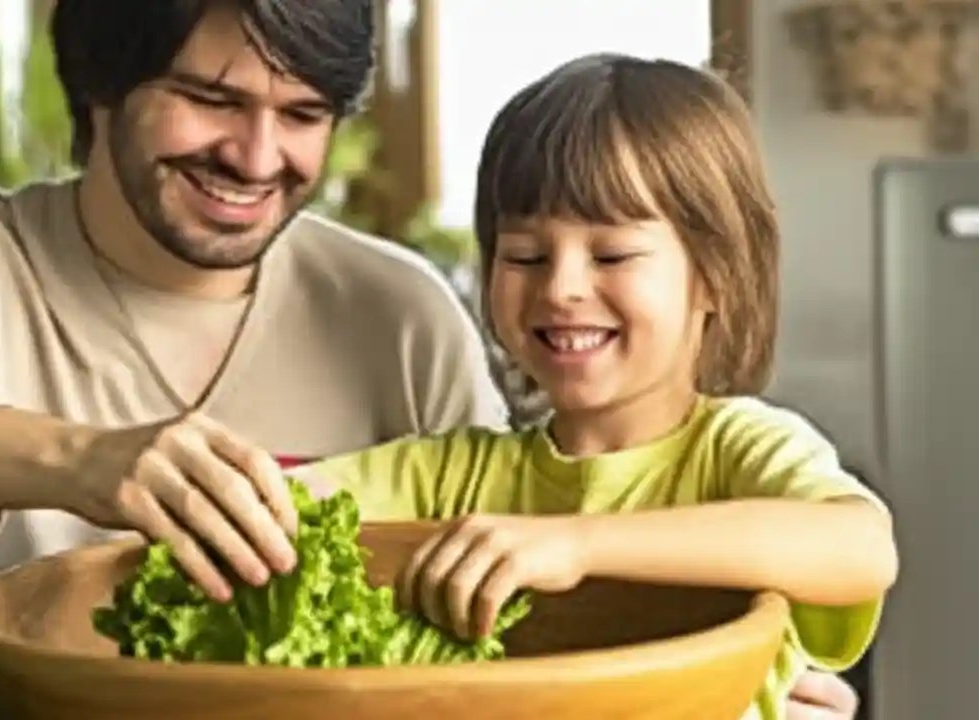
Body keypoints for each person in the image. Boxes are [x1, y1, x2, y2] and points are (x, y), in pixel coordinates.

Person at [0, 1, 862, 717]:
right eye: (210, 97)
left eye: (303, 112)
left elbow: (488, 620)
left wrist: (703, 684)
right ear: (99, 89)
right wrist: (71, 461)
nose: (258, 154)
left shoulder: (394, 307)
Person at [287, 54, 897, 720]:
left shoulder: (737, 449)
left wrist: (575, 544)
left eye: (612, 255)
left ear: (717, 273)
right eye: (525, 256)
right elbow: (273, 516)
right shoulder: (446, 476)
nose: (561, 288)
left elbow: (859, 548)